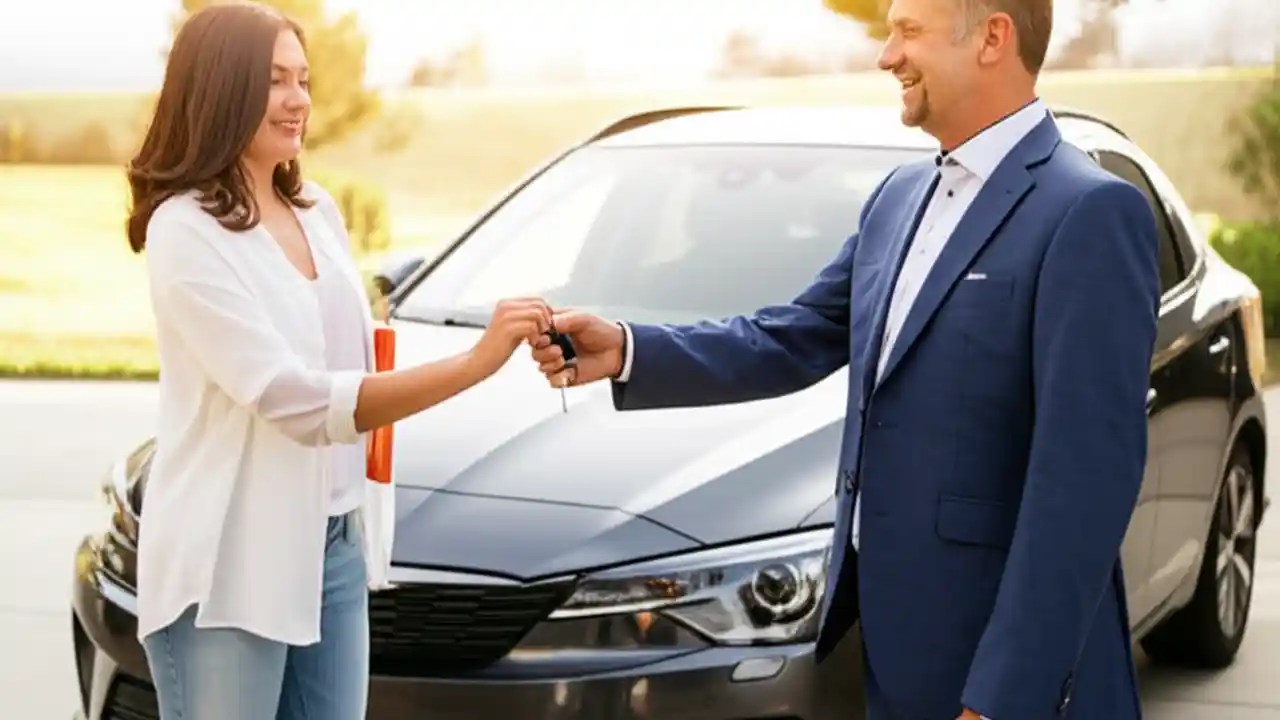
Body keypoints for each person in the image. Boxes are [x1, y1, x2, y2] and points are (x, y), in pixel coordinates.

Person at [531, 0, 1160, 717]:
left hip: (1005, 671)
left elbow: (1083, 488)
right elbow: (793, 335)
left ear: (992, 38)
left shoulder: (1090, 213)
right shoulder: (899, 198)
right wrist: (630, 349)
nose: (886, 55)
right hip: (892, 649)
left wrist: (1003, 697)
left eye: (909, 32)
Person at [125, 3, 552, 718]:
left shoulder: (315, 210)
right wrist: (476, 364)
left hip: (332, 545)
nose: (299, 100)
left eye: (303, 78)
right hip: (229, 560)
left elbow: (352, 351)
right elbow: (295, 400)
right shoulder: (185, 230)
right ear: (222, 90)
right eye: (274, 81)